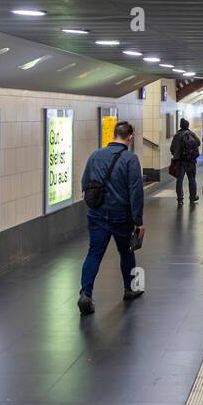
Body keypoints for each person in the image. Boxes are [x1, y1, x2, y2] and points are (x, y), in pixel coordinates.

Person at [77, 120, 145, 315]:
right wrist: (138, 221)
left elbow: (84, 183)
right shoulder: (130, 159)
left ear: (114, 134)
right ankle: (130, 288)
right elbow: (136, 192)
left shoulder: (95, 155)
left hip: (96, 214)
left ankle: (86, 293)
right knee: (126, 252)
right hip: (121, 216)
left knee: (94, 253)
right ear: (130, 137)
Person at [170, 117, 201, 205]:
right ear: (187, 125)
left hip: (179, 161)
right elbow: (198, 143)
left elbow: (172, 148)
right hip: (190, 160)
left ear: (180, 126)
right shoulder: (191, 133)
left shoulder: (176, 135)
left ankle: (180, 199)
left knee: (179, 180)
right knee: (192, 179)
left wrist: (176, 154)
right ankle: (193, 197)